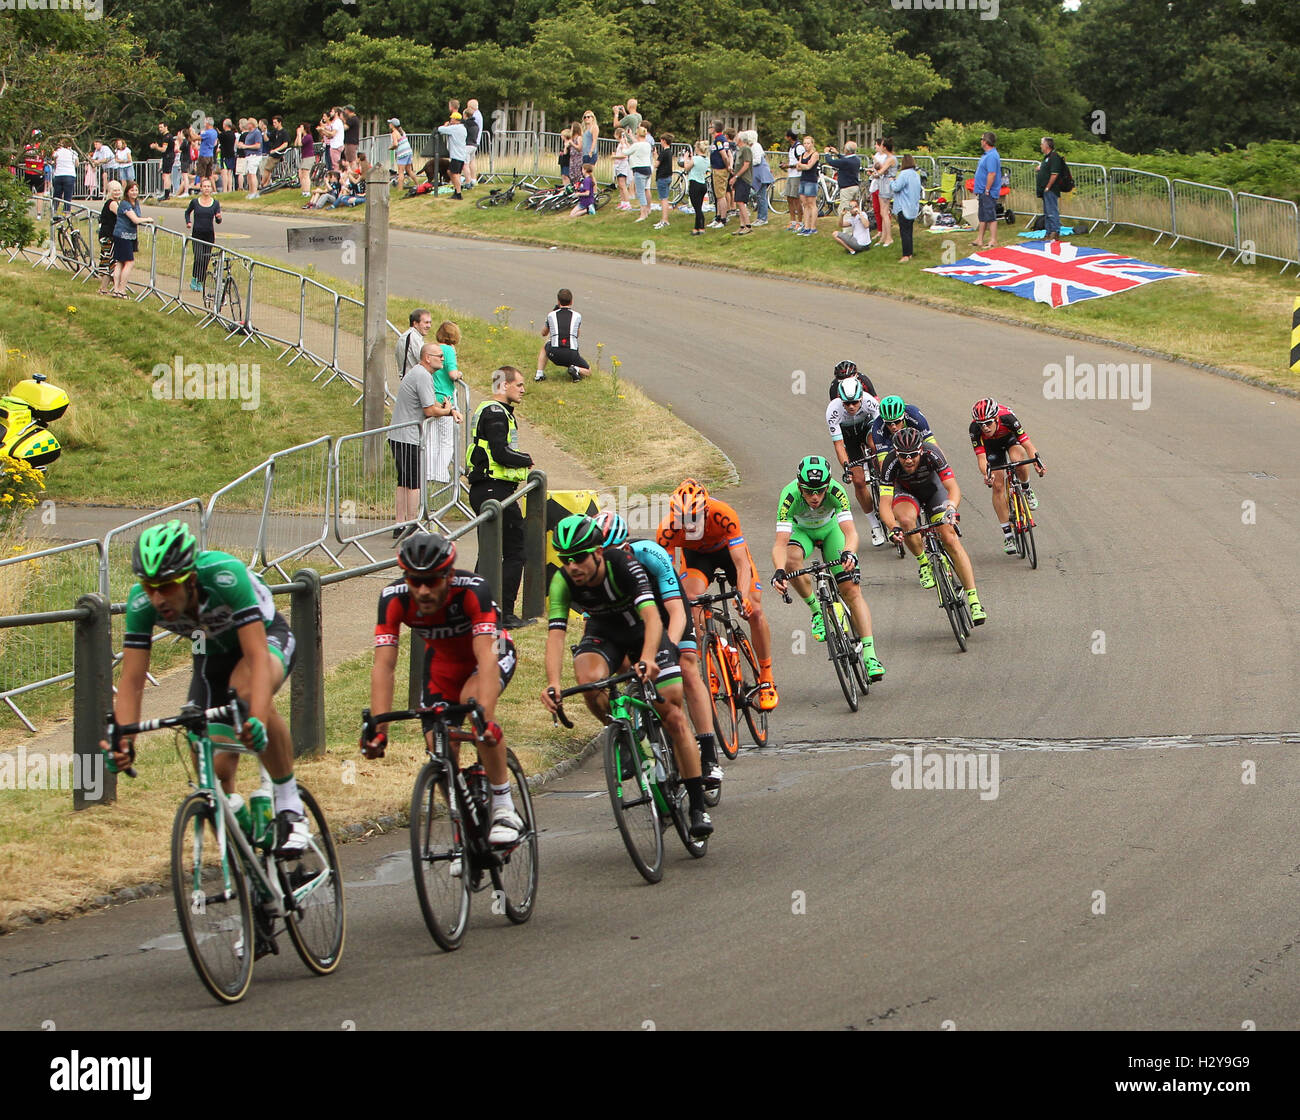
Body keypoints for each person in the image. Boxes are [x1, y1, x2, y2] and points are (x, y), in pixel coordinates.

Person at [102, 521, 312, 854]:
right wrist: (124, 739)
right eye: (148, 586)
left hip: (265, 640)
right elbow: (131, 680)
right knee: (212, 770)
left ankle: (291, 807)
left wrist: (255, 717)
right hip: (212, 655)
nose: (157, 598)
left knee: (246, 691)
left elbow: (256, 657)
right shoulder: (141, 604)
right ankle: (250, 867)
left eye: (168, 586)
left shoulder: (224, 575)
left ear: (192, 578)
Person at [541, 514, 713, 838]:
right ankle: (623, 734)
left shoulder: (624, 564)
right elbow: (556, 636)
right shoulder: (562, 581)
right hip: (605, 631)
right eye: (566, 560)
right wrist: (553, 682)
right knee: (590, 684)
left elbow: (652, 617)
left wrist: (648, 658)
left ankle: (696, 802)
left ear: (596, 553)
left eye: (579, 558)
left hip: (642, 629)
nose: (573, 567)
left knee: (673, 713)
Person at [361, 532, 524, 845]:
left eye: (432, 581)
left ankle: (503, 805)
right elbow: (384, 666)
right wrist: (379, 727)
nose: (422, 590)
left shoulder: (473, 590)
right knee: (440, 746)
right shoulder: (393, 598)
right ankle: (462, 822)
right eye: (414, 581)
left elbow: (486, 657)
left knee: (474, 706)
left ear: (449, 575)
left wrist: (485, 717)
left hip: (490, 653)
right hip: (443, 666)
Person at [595, 511, 724, 793]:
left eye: (614, 553)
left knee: (687, 669)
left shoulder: (649, 555)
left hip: (667, 610)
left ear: (626, 547)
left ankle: (708, 754)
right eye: (601, 555)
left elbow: (677, 612)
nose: (608, 561)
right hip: (634, 619)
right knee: (629, 671)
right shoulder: (593, 572)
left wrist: (670, 650)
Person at [656, 478, 778, 711]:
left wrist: (741, 596)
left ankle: (766, 676)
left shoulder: (723, 514)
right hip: (696, 559)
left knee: (755, 611)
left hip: (727, 553)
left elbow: (742, 565)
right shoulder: (667, 530)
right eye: (684, 521)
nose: (689, 527)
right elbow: (667, 577)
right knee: (690, 605)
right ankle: (710, 666)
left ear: (705, 510)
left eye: (694, 519)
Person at [770, 456, 885, 680]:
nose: (815, 497)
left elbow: (850, 533)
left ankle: (870, 655)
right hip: (801, 532)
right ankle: (817, 612)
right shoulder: (789, 495)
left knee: (851, 590)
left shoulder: (836, 491)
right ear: (800, 486)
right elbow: (780, 544)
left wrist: (849, 553)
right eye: (809, 491)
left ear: (827, 486)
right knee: (791, 561)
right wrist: (779, 570)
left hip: (831, 531)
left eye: (820, 491)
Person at [877, 427, 986, 624]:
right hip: (907, 494)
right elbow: (884, 503)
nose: (908, 460)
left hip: (933, 490)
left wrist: (951, 508)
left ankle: (974, 599)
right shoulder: (890, 462)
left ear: (920, 451)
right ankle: (923, 563)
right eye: (903, 456)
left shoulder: (932, 453)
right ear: (896, 453)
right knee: (906, 521)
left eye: (912, 455)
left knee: (950, 539)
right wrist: (893, 527)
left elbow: (952, 487)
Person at [465, 366, 534, 627]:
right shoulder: (495, 412)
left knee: (489, 554)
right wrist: (526, 459)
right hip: (494, 490)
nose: (523, 389)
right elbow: (500, 451)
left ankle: (475, 612)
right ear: (504, 386)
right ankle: (504, 614)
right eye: (519, 384)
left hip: (489, 489)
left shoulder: (491, 410)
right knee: (515, 552)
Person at [969, 397, 1046, 554]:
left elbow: (1027, 444)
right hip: (991, 448)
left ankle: (1026, 488)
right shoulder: (974, 429)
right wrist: (987, 474)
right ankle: (1008, 535)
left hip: (1009, 439)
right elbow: (981, 458)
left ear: (996, 418)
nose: (985, 428)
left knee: (1018, 459)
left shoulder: (1008, 418)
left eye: (988, 423)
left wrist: (1037, 462)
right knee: (997, 485)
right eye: (981, 424)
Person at [390, 343, 451, 539]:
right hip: (407, 437)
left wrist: (446, 409)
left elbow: (430, 403)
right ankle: (411, 523)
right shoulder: (423, 375)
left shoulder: (420, 373)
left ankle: (401, 523)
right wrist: (448, 411)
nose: (443, 359)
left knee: (405, 481)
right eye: (439, 356)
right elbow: (430, 410)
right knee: (413, 481)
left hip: (400, 435)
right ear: (427, 358)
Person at [826, 377, 886, 546]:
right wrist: (847, 467)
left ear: (861, 398)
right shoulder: (833, 411)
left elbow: (882, 432)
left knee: (876, 445)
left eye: (854, 402)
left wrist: (884, 458)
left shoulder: (870, 402)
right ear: (840, 400)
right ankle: (875, 526)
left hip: (867, 428)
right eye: (847, 403)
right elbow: (839, 445)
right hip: (848, 438)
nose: (851, 406)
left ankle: (884, 481)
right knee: (859, 481)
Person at [427, 321, 465, 489]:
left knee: (431, 438)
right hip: (445, 398)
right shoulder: (448, 350)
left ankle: (428, 472)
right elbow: (452, 374)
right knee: (447, 439)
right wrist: (459, 374)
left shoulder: (432, 348)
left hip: (432, 396)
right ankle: (441, 473)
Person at [535, 288, 589, 382]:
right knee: (588, 371)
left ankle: (539, 375)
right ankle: (575, 369)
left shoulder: (551, 315)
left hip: (554, 353)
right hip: (571, 355)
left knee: (545, 346)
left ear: (558, 301)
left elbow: (544, 333)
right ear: (571, 301)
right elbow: (577, 335)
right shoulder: (577, 316)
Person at [110, 181, 153, 298]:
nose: (134, 192)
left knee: (120, 262)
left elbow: (137, 216)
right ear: (127, 192)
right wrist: (147, 219)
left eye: (136, 190)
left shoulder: (136, 203)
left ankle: (117, 290)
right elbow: (135, 219)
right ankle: (121, 289)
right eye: (132, 190)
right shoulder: (125, 204)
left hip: (131, 235)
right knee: (129, 262)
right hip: (122, 236)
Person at [184, 177, 222, 292]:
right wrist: (188, 222)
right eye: (204, 186)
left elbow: (218, 220)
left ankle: (200, 281)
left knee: (205, 259)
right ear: (201, 188)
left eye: (208, 187)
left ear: (211, 189)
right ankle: (194, 278)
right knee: (199, 257)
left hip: (209, 235)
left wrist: (219, 218)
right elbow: (187, 213)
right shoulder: (195, 202)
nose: (206, 188)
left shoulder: (215, 203)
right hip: (197, 234)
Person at [972, 130, 1002, 250]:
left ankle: (993, 240)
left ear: (986, 142)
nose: (981, 141)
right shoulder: (986, 155)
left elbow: (992, 174)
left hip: (988, 191)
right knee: (983, 215)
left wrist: (987, 189)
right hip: (982, 190)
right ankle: (980, 239)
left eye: (982, 139)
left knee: (990, 215)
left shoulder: (992, 156)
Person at [892, 153, 922, 262]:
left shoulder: (903, 174)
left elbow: (896, 187)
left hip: (904, 207)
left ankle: (905, 255)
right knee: (909, 231)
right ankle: (910, 253)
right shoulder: (916, 174)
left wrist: (891, 182)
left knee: (904, 231)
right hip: (913, 207)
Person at [1035, 136, 1066, 243]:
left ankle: (1055, 231)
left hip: (1051, 190)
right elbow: (1047, 169)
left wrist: (1048, 186)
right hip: (1045, 190)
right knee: (1047, 212)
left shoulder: (1054, 157)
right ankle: (1048, 232)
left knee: (1052, 211)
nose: (1041, 146)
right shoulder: (1046, 157)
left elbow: (1055, 173)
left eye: (1042, 144)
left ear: (1047, 145)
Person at [95, 180, 123, 295]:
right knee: (108, 262)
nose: (117, 192)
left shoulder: (116, 202)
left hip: (109, 235)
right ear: (110, 191)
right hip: (108, 236)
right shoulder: (112, 203)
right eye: (114, 190)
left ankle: (106, 288)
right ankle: (103, 289)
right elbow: (122, 215)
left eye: (118, 190)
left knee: (109, 261)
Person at [869, 137, 896, 247]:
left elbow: (881, 171)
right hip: (883, 184)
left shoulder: (890, 159)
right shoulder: (888, 158)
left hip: (886, 186)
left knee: (884, 212)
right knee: (882, 212)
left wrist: (874, 173)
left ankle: (888, 238)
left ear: (884, 147)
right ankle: (884, 237)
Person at [823, 141, 862, 215]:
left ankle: (846, 225)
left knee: (845, 210)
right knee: (853, 208)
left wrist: (827, 154)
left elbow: (831, 162)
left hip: (847, 189)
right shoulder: (856, 159)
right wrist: (837, 153)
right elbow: (845, 159)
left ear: (847, 150)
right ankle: (853, 224)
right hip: (854, 186)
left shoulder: (845, 161)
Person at [437, 109, 468, 198]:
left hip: (456, 155)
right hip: (461, 155)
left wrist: (445, 125)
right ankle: (457, 190)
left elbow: (440, 129)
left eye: (451, 119)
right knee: (453, 173)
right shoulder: (463, 128)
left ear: (455, 120)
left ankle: (458, 193)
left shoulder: (455, 128)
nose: (450, 121)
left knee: (453, 173)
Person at [396, 307, 432, 382]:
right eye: (426, 322)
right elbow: (423, 359)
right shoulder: (414, 337)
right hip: (414, 381)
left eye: (430, 322)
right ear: (415, 323)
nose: (429, 326)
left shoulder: (407, 335)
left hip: (408, 379)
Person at [728, 130, 754, 235]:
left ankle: (748, 225)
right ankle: (742, 225)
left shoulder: (746, 149)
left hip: (744, 179)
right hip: (738, 178)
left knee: (741, 202)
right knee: (738, 201)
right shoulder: (740, 150)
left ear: (740, 139)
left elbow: (746, 165)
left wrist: (736, 176)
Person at [707, 121, 731, 228]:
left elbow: (724, 155)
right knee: (718, 195)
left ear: (714, 128)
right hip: (716, 169)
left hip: (720, 170)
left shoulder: (719, 140)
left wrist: (727, 166)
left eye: (710, 127)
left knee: (721, 196)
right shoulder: (721, 140)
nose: (708, 128)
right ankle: (717, 217)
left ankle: (723, 218)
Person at [747, 130, 774, 225]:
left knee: (761, 197)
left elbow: (757, 160)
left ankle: (763, 218)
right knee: (759, 197)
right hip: (757, 174)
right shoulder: (753, 146)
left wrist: (748, 163)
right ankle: (759, 217)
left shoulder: (755, 146)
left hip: (761, 174)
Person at [795, 135, 820, 236]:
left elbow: (809, 167)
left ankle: (813, 227)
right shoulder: (802, 154)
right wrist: (802, 166)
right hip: (803, 180)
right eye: (805, 143)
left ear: (812, 144)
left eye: (808, 143)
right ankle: (806, 226)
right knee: (804, 203)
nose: (806, 145)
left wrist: (802, 165)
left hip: (811, 180)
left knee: (811, 204)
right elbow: (798, 167)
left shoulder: (815, 154)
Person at [627, 126, 653, 222]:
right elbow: (638, 144)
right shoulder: (647, 144)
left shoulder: (637, 145)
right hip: (647, 169)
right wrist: (631, 136)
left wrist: (624, 143)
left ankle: (643, 214)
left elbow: (627, 151)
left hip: (639, 170)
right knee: (645, 190)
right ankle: (646, 210)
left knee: (640, 193)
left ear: (637, 134)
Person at [684, 140, 709, 235]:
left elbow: (687, 168)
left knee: (697, 208)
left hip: (695, 183)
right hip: (702, 183)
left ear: (698, 149)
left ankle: (701, 227)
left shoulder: (695, 159)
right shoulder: (707, 160)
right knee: (698, 206)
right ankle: (696, 227)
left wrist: (686, 158)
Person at [49, 137, 78, 215]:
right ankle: (66, 212)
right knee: (68, 195)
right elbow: (77, 164)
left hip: (58, 174)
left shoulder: (58, 152)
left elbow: (54, 160)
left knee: (57, 194)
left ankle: (54, 210)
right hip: (70, 175)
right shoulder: (73, 152)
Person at [783, 129, 804, 230]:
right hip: (791, 175)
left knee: (796, 199)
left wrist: (788, 166)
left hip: (797, 175)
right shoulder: (791, 148)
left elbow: (801, 162)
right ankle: (792, 221)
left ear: (789, 137)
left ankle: (800, 222)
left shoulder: (799, 148)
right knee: (789, 198)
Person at [653, 132, 675, 229]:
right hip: (668, 177)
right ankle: (664, 219)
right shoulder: (669, 152)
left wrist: (655, 156)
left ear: (664, 141)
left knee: (663, 199)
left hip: (662, 177)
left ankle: (664, 219)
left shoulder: (663, 153)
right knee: (664, 198)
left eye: (661, 140)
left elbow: (656, 165)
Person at [149, 123, 173, 200]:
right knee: (166, 175)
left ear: (166, 127)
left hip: (168, 157)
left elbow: (163, 149)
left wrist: (156, 147)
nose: (160, 129)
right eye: (159, 127)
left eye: (161, 127)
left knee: (166, 175)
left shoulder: (167, 137)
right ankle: (167, 193)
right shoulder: (168, 136)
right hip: (168, 157)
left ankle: (166, 195)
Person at [464, 98, 485, 187]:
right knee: (472, 160)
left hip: (471, 141)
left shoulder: (474, 116)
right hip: (476, 141)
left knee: (466, 162)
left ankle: (468, 180)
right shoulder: (479, 115)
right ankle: (473, 179)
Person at [389, 119, 414, 192]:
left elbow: (396, 144)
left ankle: (400, 189)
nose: (389, 124)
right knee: (409, 170)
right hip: (408, 152)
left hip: (402, 154)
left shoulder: (394, 133)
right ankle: (417, 184)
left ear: (393, 125)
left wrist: (391, 148)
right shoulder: (402, 132)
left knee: (400, 172)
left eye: (390, 123)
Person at [612, 127, 633, 210]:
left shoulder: (623, 144)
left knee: (623, 184)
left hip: (622, 166)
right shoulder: (621, 143)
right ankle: (623, 202)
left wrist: (614, 156)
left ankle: (627, 203)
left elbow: (624, 155)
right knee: (620, 185)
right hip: (618, 166)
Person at [296, 122, 316, 196]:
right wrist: (298, 136)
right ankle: (304, 190)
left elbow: (300, 144)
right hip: (304, 157)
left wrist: (299, 134)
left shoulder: (308, 137)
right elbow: (296, 144)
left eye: (301, 127)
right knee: (301, 174)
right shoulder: (303, 137)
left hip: (309, 157)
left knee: (306, 174)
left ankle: (307, 191)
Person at [218, 119, 238, 193]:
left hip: (224, 156)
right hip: (231, 155)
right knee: (230, 173)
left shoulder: (223, 135)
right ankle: (230, 189)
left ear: (225, 125)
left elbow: (219, 140)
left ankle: (225, 189)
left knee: (224, 173)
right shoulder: (233, 134)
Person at [197, 118, 218, 184]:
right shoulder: (214, 132)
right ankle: (214, 190)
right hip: (210, 154)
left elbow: (196, 138)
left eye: (205, 123)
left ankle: (203, 188)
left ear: (208, 124)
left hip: (204, 154)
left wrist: (191, 132)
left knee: (202, 175)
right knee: (210, 175)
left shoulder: (207, 133)